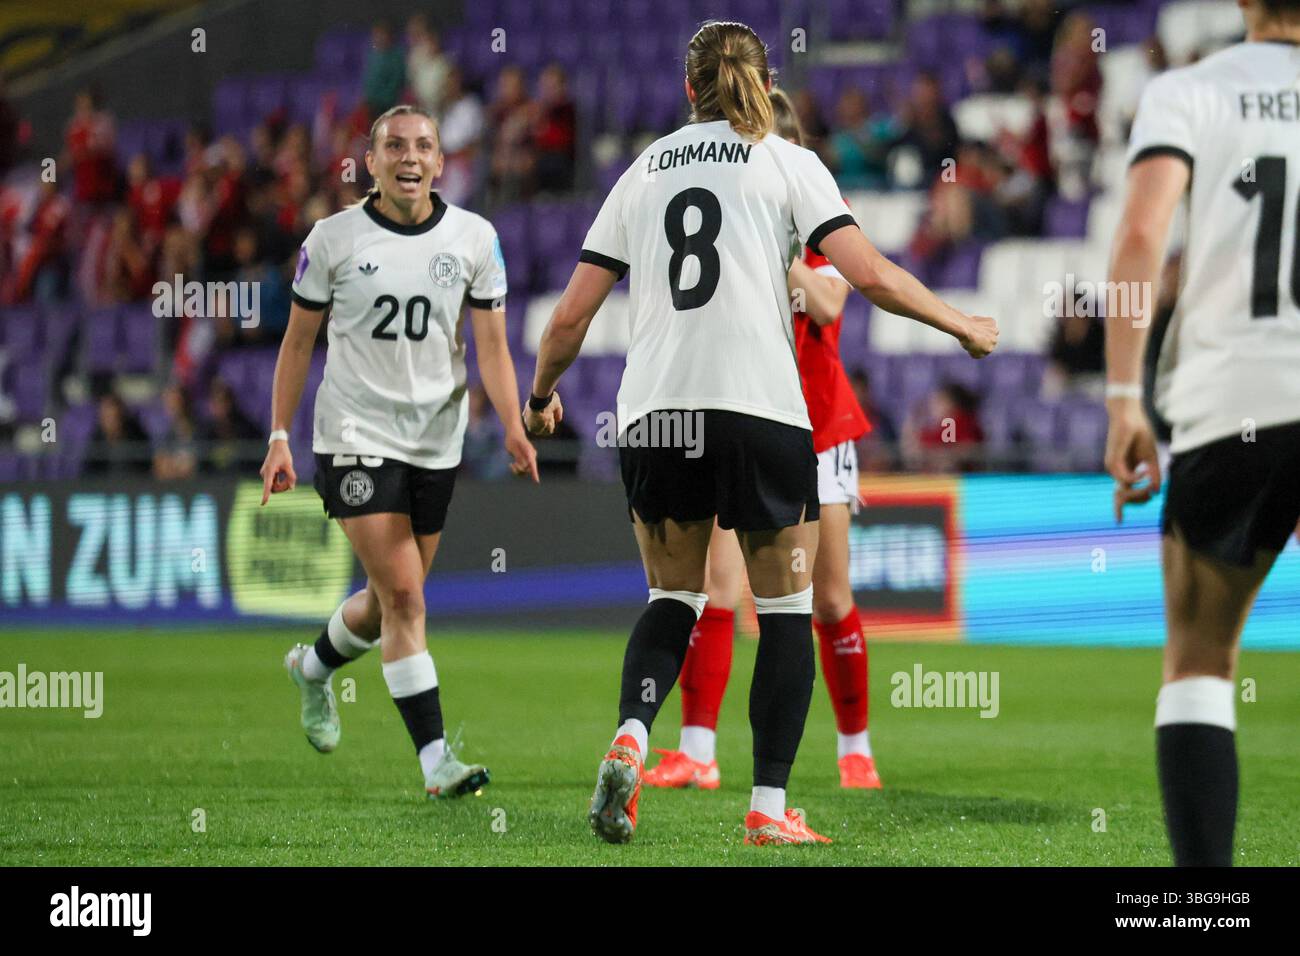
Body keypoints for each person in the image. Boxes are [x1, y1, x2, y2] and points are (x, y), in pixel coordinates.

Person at [524, 21, 997, 847]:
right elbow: (871, 275)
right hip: (760, 410)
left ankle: (633, 738)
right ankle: (768, 812)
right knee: (785, 611)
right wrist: (959, 323)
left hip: (655, 414)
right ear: (762, 80)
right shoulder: (789, 162)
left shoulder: (640, 171)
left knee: (674, 597)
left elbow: (569, 315)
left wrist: (538, 396)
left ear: (687, 91)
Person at [260, 105, 538, 800]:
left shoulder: (475, 238)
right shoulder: (333, 240)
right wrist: (279, 436)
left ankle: (314, 669)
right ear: (372, 162)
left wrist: (511, 422)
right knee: (408, 596)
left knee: (390, 605)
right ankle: (437, 761)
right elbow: (298, 343)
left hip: (434, 441)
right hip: (354, 435)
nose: (409, 157)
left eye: (423, 146)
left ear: (442, 162)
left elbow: (494, 346)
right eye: (394, 146)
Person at [1103, 0, 1300, 867]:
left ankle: (1204, 909)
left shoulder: (1189, 90)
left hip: (1235, 398)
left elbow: (1143, 236)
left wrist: (1121, 397)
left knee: (1199, 662)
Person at [642, 89, 883, 795]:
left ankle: (855, 746)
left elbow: (834, 301)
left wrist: (766, 245)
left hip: (817, 426)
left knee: (830, 596)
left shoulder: (818, 214)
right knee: (715, 589)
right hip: (741, 415)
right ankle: (696, 750)